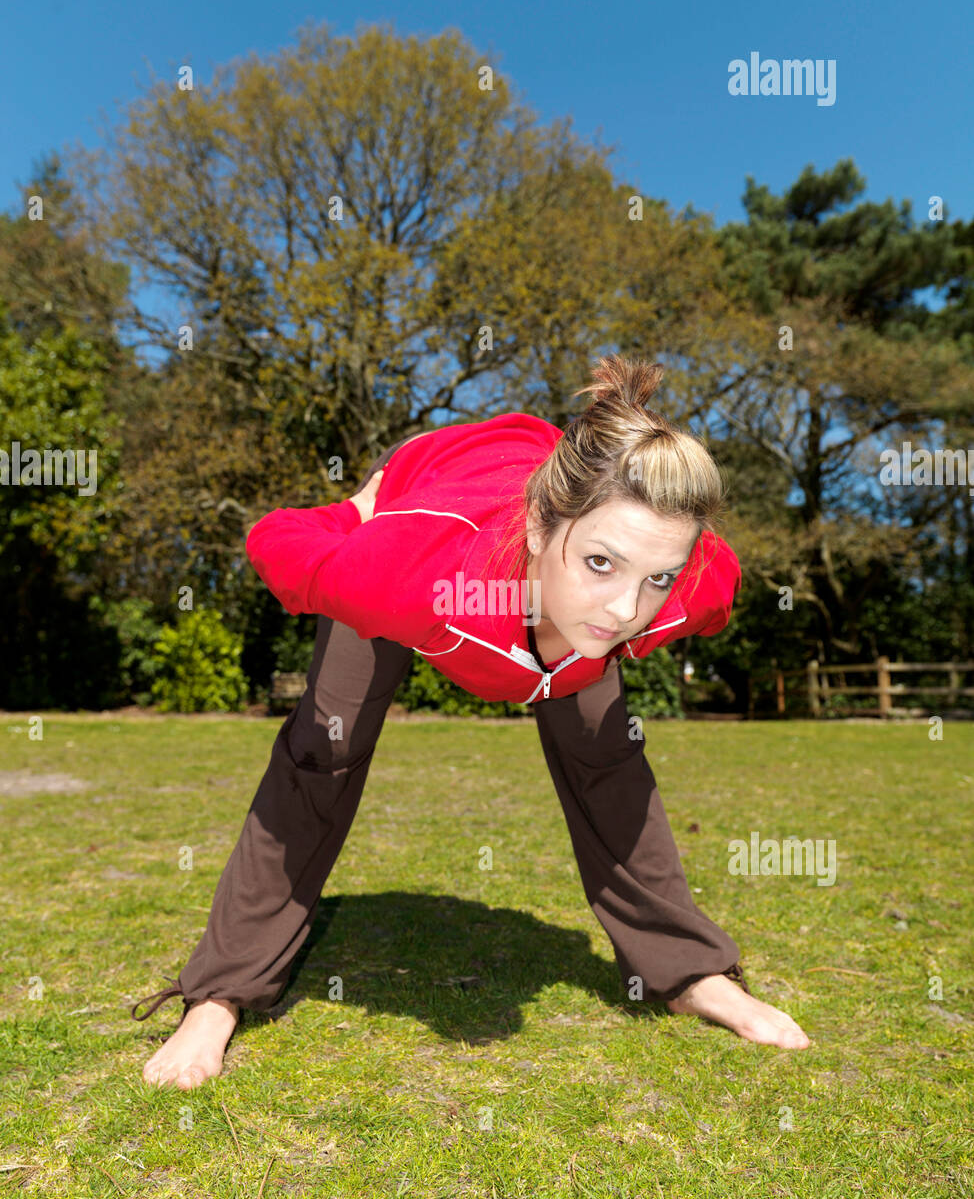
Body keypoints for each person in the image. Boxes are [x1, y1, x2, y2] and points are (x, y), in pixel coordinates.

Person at [135, 353, 810, 1089]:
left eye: (655, 578)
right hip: (421, 488)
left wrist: (632, 578)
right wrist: (361, 511)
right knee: (321, 752)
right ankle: (220, 994)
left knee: (609, 757)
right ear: (540, 527)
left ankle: (691, 975)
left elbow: (706, 582)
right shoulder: (413, 575)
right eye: (600, 563)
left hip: (538, 489)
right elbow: (276, 540)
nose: (624, 610)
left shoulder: (687, 584)